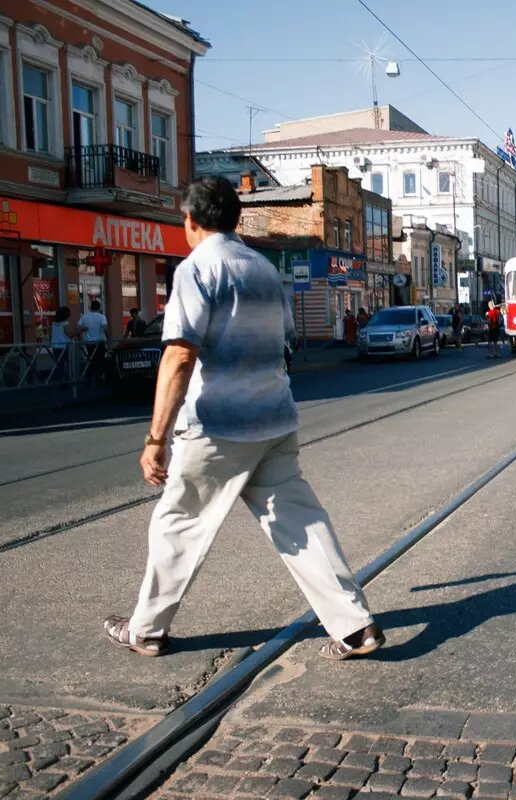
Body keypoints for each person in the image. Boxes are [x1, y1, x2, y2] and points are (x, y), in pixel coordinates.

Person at [103, 176, 382, 661]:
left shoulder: (196, 270)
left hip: (218, 426)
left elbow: (178, 358)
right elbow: (285, 343)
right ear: (236, 219)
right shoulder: (263, 271)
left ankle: (146, 631)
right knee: (302, 525)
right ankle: (355, 627)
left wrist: (156, 438)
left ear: (190, 222)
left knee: (179, 523)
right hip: (275, 419)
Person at [79, 300, 108, 382]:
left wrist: (82, 334)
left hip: (89, 343)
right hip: (99, 342)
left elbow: (78, 327)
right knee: (100, 360)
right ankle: (99, 377)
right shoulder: (101, 317)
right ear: (99, 308)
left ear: (90, 308)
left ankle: (90, 377)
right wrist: (109, 338)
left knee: (91, 359)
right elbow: (105, 328)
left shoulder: (85, 316)